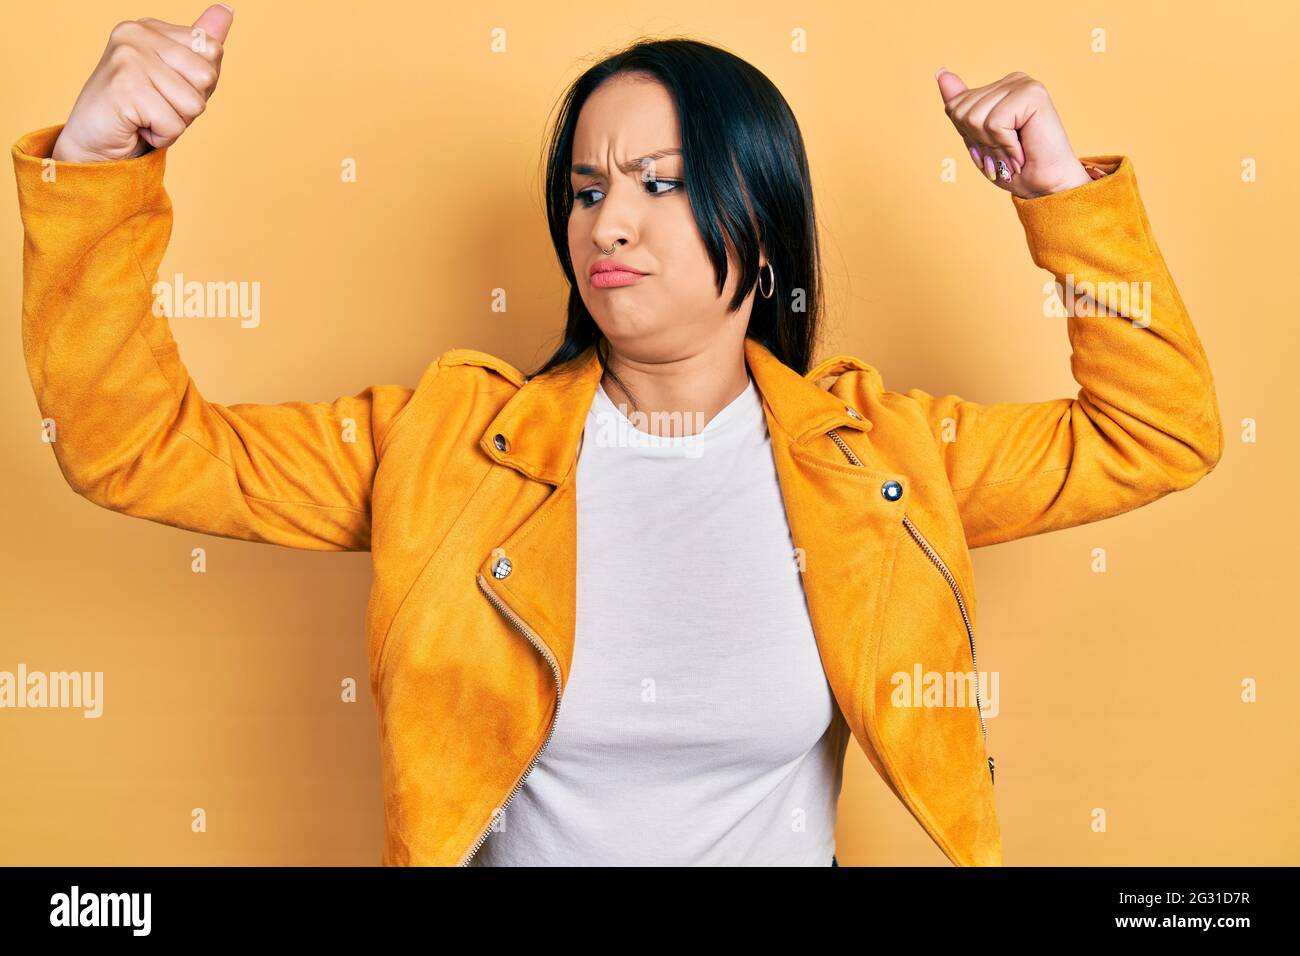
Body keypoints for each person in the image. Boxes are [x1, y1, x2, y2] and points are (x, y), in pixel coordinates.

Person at [13, 5, 1222, 866]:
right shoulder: (445, 445)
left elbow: (1158, 427)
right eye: (588, 189)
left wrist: (1061, 199)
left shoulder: (881, 458)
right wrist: (100, 167)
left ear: (759, 211)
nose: (611, 222)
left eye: (660, 180)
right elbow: (128, 443)